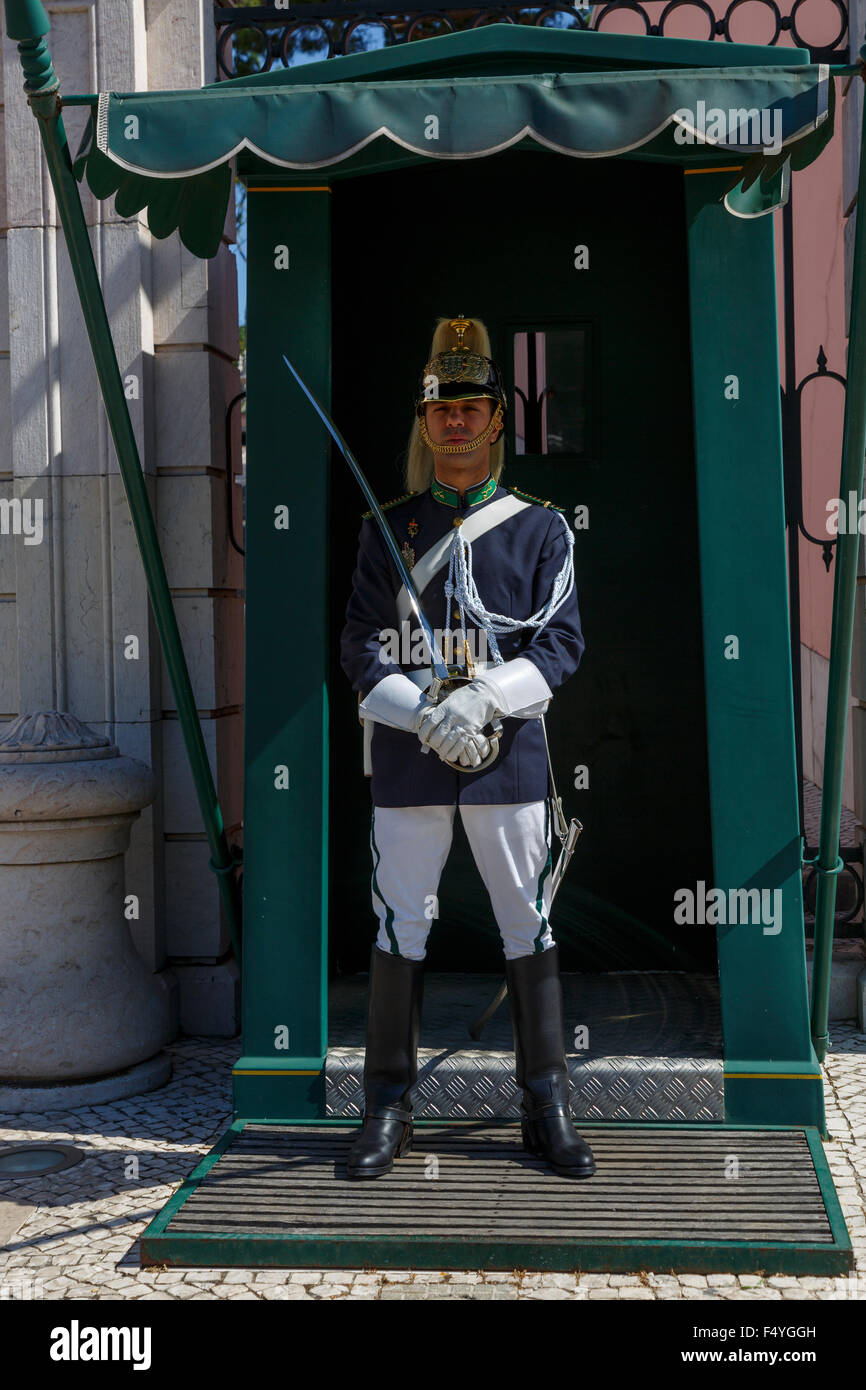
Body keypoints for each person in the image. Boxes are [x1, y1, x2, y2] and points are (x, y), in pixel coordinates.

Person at [339, 315, 595, 1180]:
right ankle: (386, 1107)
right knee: (399, 922)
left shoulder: (540, 530)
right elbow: (361, 648)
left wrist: (484, 696)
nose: (456, 422)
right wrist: (424, 716)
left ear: (496, 421)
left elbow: (559, 645)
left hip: (510, 759)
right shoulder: (388, 529)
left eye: (472, 407)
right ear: (424, 420)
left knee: (527, 922)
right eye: (441, 408)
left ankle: (546, 1103)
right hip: (411, 760)